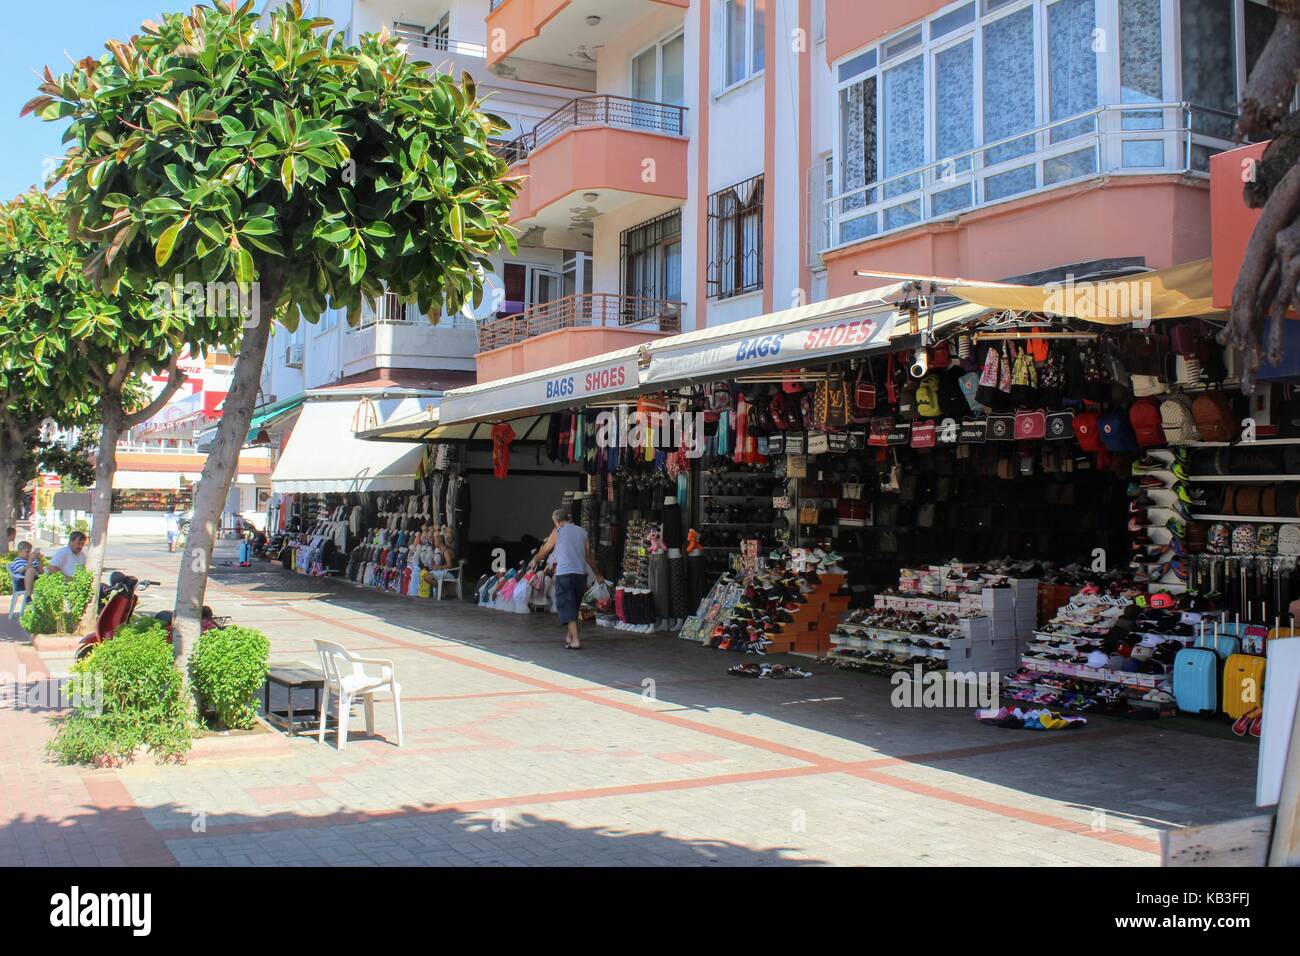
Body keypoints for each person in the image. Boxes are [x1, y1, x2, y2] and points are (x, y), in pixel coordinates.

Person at [529, 509, 602, 650]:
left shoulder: (558, 532)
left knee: (567, 606)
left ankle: (575, 640)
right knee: (573, 606)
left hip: (565, 575)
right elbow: (589, 556)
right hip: (580, 575)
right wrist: (597, 574)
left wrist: (535, 560)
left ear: (557, 521)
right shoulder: (582, 532)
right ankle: (569, 636)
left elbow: (545, 550)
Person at [7, 542, 39, 612]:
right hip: (21, 584)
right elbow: (21, 571)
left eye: (30, 552)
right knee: (30, 570)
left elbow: (41, 572)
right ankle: (28, 597)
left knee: (47, 572)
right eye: (27, 552)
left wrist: (39, 560)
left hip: (35, 582)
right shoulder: (17, 561)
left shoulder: (32, 561)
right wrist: (30, 560)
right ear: (20, 551)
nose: (29, 554)